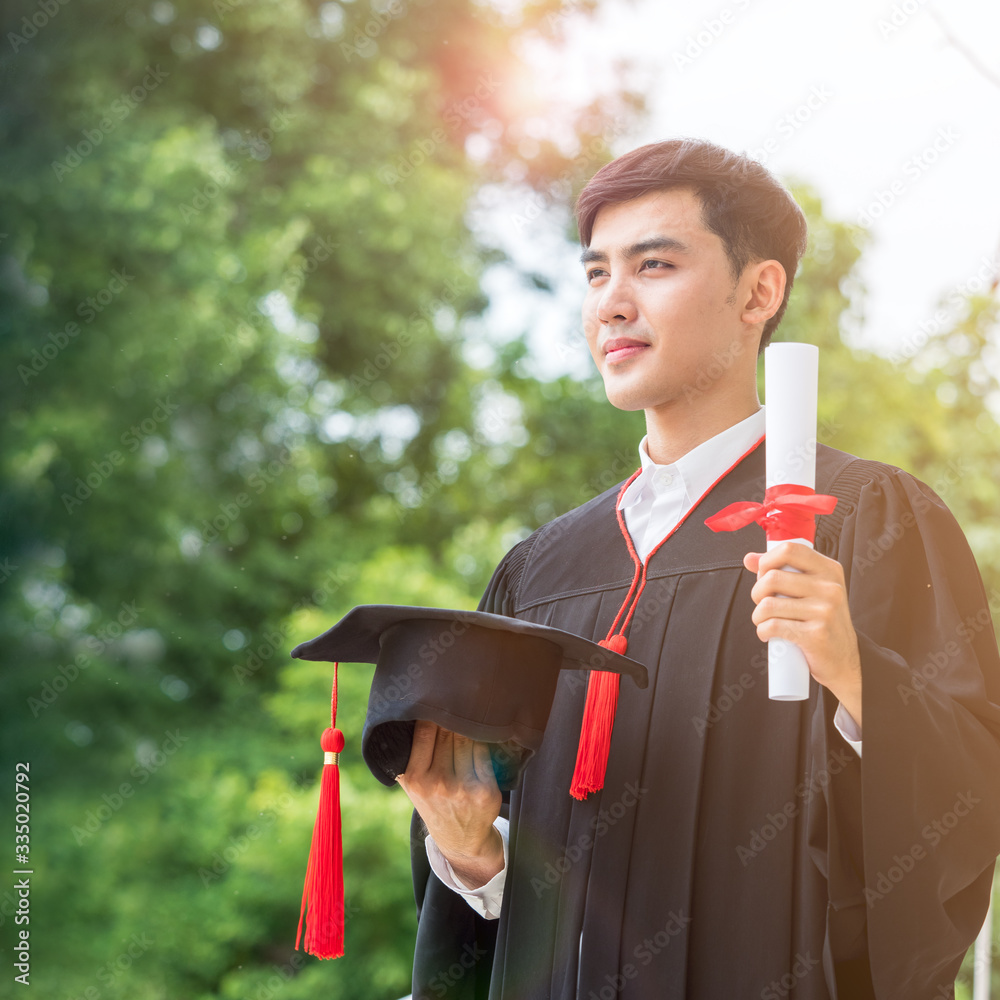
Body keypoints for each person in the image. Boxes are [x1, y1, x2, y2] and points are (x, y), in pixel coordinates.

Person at [394, 138, 1000, 1000]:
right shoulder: (541, 572)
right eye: (596, 273)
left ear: (759, 291)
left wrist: (863, 682)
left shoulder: (865, 521)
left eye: (653, 265)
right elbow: (510, 922)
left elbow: (964, 807)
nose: (613, 304)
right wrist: (467, 851)